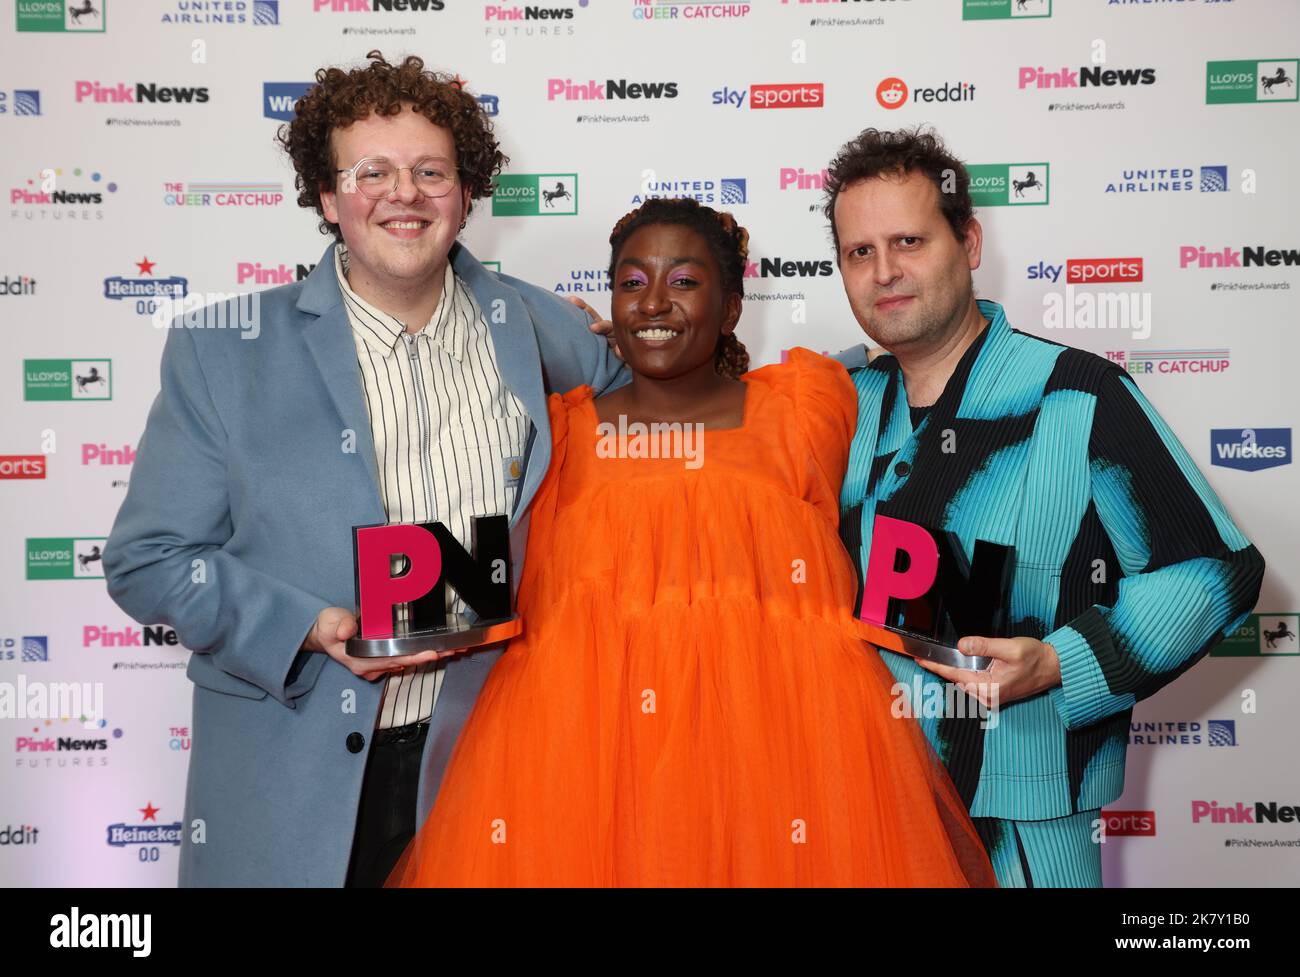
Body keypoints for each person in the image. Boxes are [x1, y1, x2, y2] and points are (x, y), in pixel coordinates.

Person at [102, 51, 626, 887]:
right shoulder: (222, 349)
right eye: (371, 171)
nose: (404, 193)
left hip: (493, 769)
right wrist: (309, 626)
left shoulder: (541, 327)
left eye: (430, 170)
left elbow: (664, 428)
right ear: (327, 196)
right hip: (290, 779)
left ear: (465, 191)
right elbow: (148, 559)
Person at [385, 198, 997, 887]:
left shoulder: (805, 407)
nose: (652, 304)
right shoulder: (559, 435)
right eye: (631, 282)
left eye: (683, 281)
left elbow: (933, 429)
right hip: (590, 776)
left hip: (788, 772)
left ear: (733, 305)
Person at [822, 127, 1265, 886]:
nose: (885, 271)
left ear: (968, 242)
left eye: (908, 240)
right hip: (865, 804)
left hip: (1027, 821)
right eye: (860, 252)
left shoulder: (1078, 390)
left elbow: (1214, 569)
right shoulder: (835, 407)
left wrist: (1063, 659)